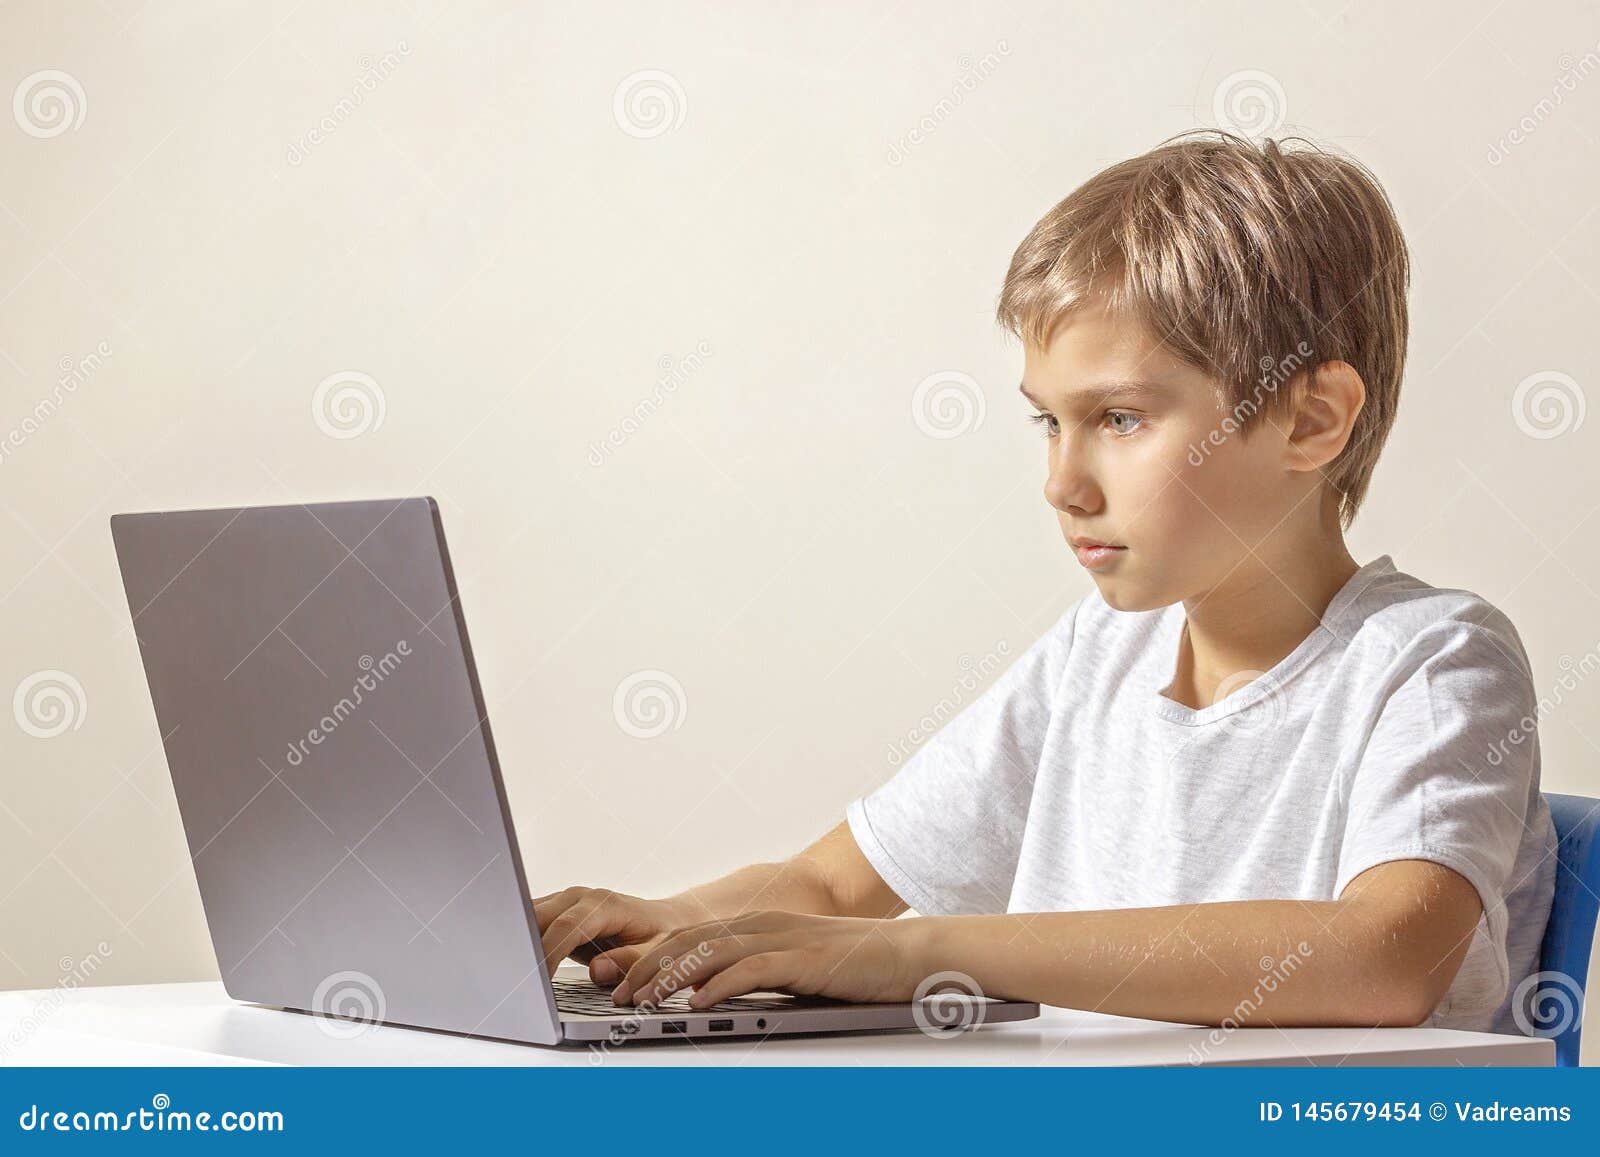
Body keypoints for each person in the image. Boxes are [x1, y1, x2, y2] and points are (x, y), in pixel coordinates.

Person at [537, 131, 1556, 1033]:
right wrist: (679, 923)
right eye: (1048, 420)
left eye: (1117, 419)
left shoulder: (1430, 661)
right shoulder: (1098, 654)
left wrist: (920, 951)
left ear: (1308, 419)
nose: (1061, 483)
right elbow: (831, 882)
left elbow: (1384, 958)